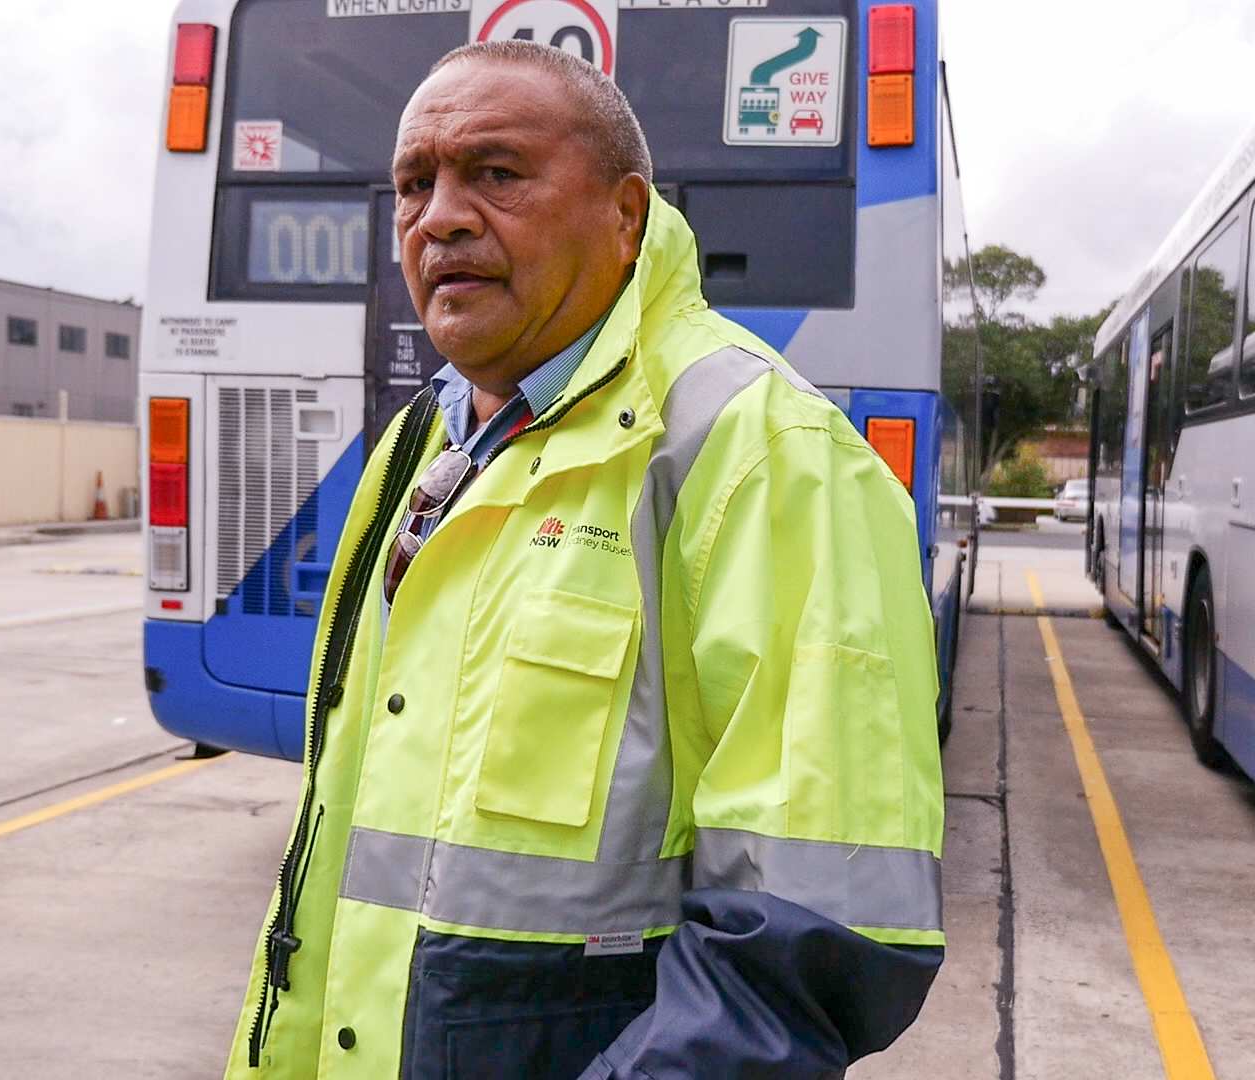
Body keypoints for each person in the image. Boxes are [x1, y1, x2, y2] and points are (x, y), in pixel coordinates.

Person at [223, 40, 946, 1079]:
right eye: (415, 185)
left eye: (497, 173)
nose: (442, 218)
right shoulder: (421, 447)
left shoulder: (759, 448)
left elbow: (816, 934)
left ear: (627, 213)